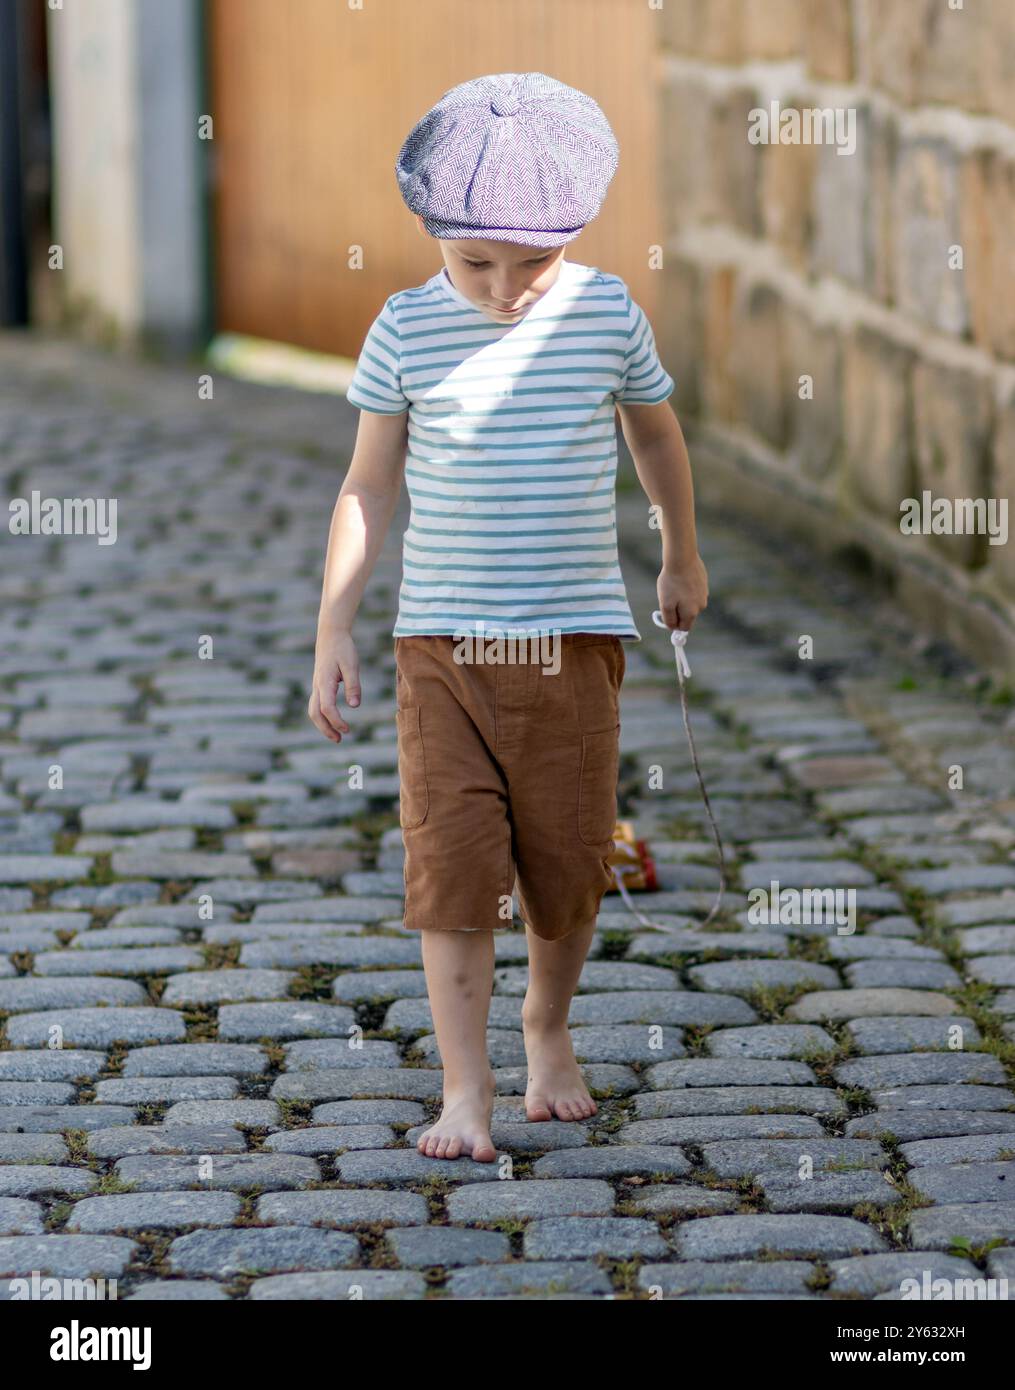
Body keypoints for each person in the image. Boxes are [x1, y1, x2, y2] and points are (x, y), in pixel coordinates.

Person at [309, 73, 708, 1162]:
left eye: (529, 262)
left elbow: (657, 439)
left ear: (574, 234)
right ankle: (464, 1085)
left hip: (573, 645)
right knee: (449, 870)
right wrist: (334, 623)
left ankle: (547, 1026)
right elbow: (367, 486)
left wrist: (679, 548)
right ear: (433, 234)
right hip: (442, 651)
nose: (502, 287)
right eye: (472, 261)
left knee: (570, 860)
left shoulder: (603, 313)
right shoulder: (404, 329)